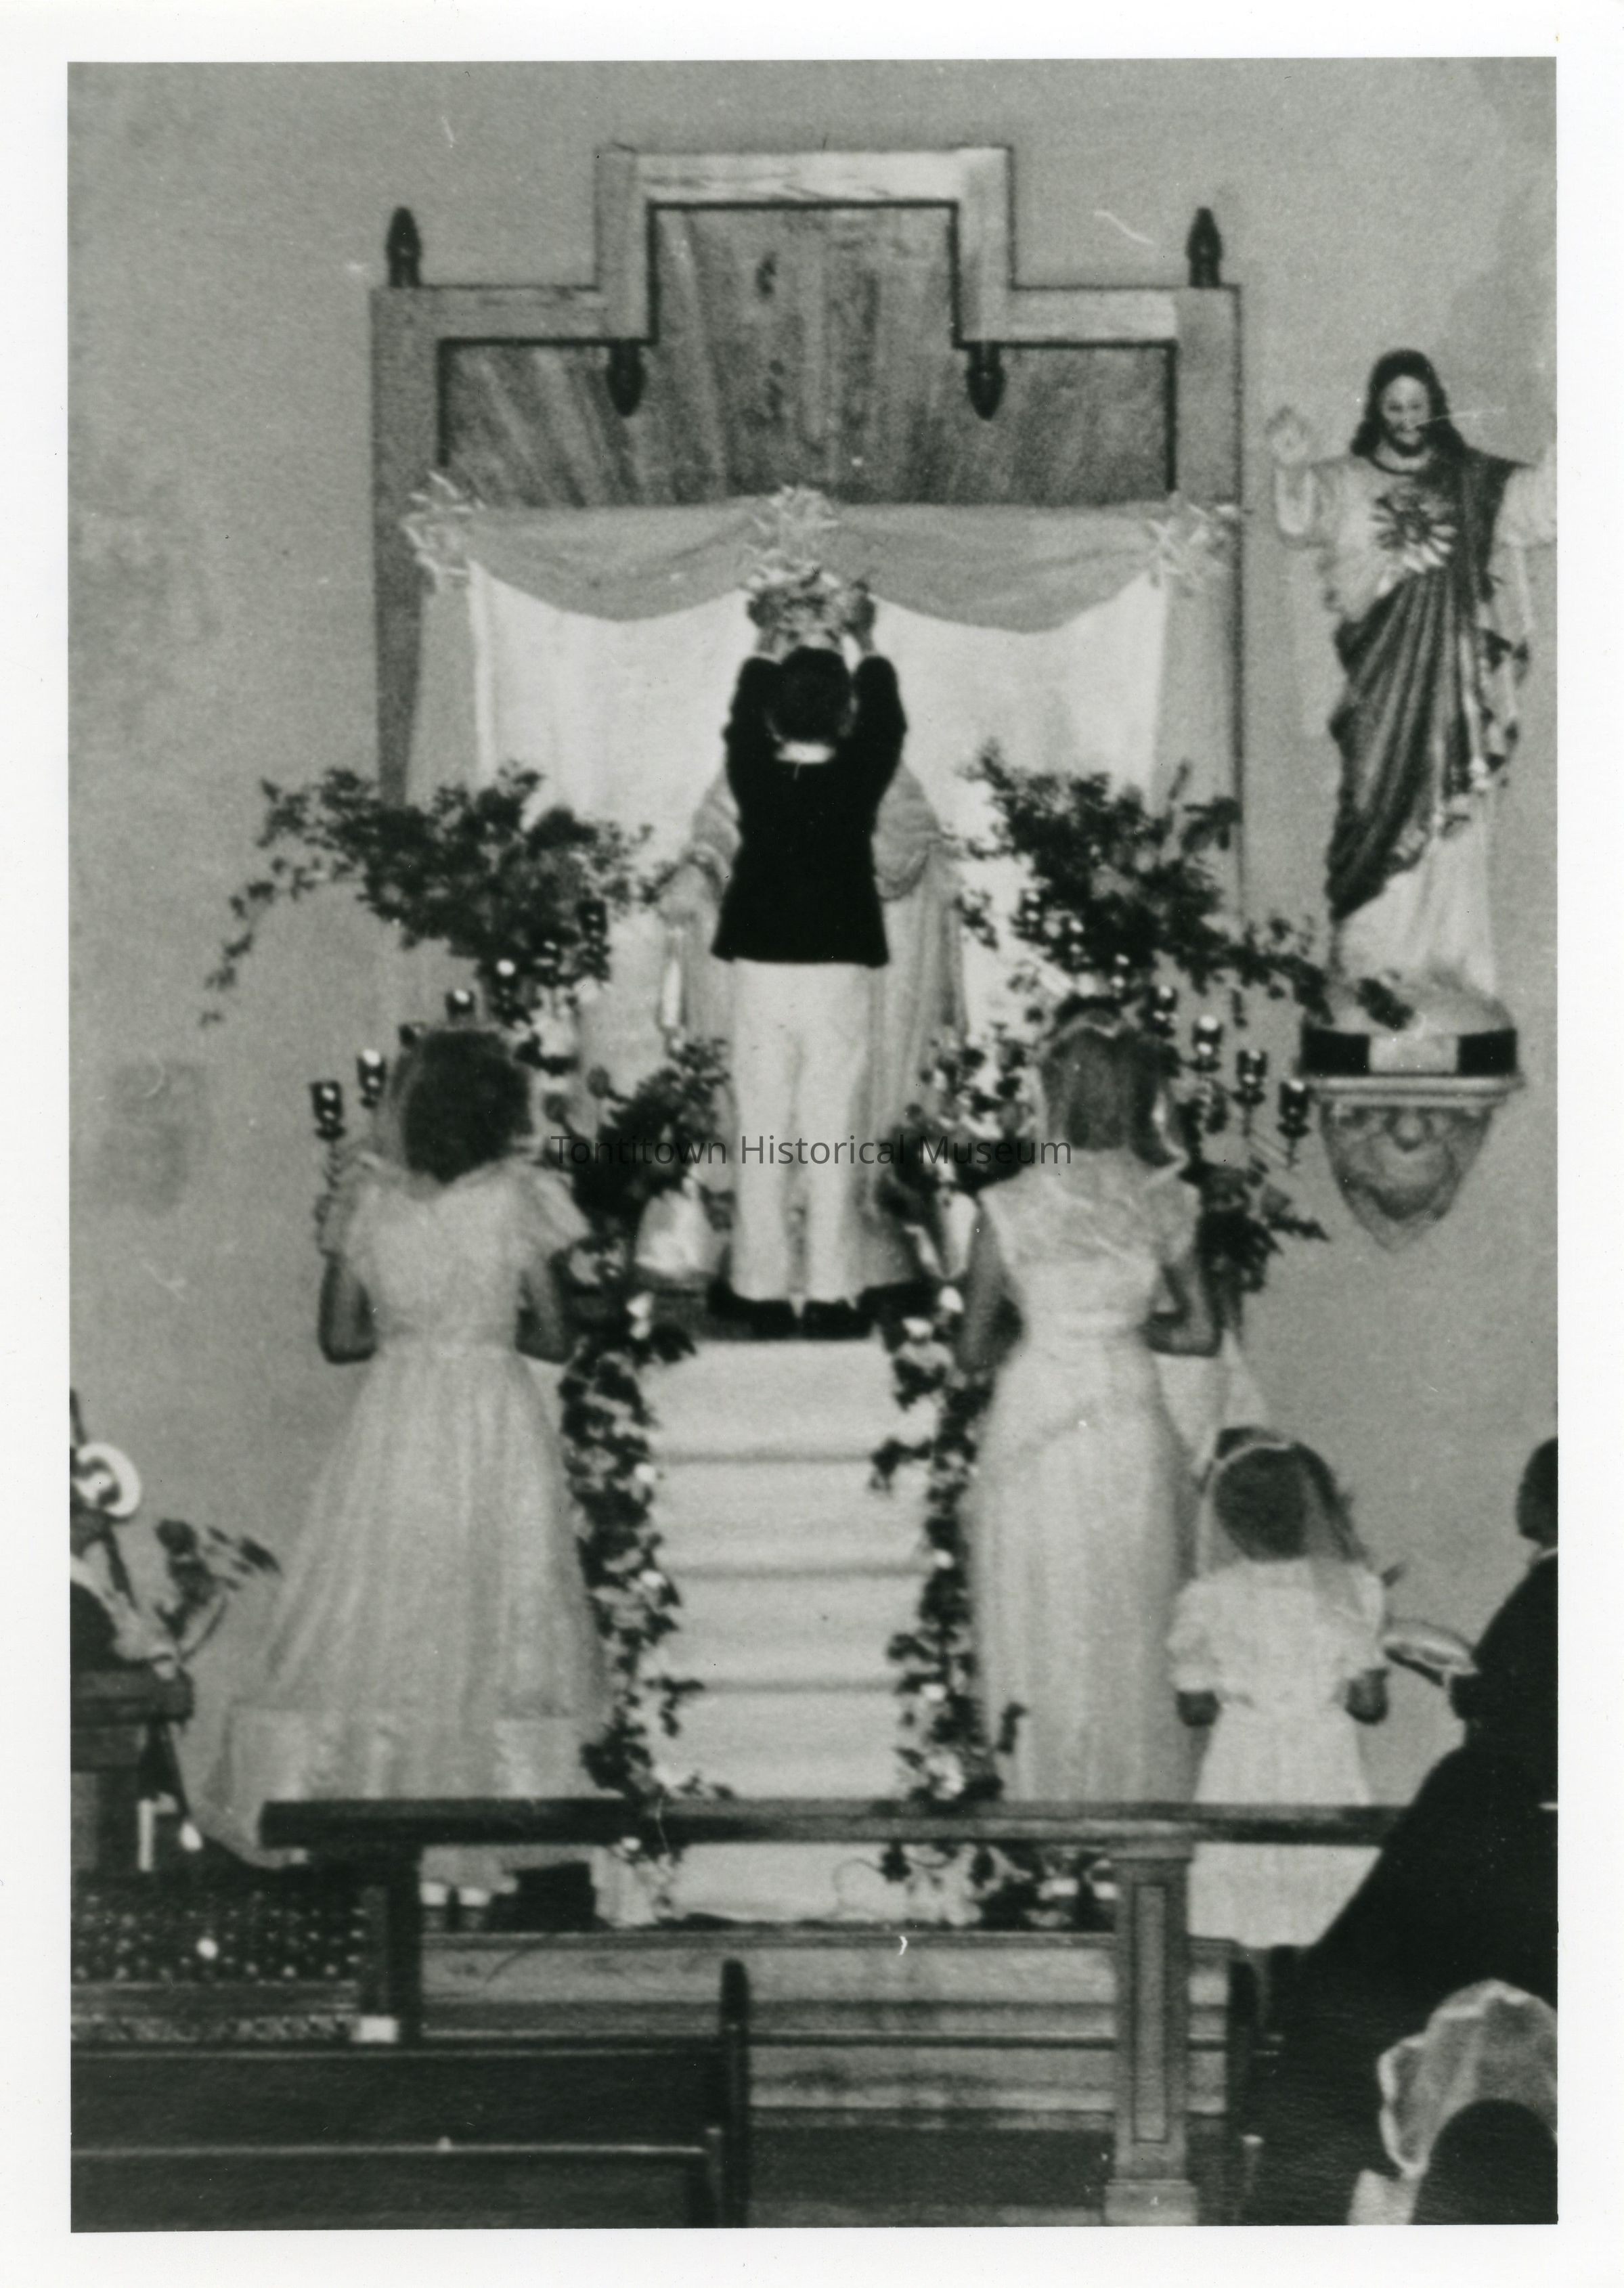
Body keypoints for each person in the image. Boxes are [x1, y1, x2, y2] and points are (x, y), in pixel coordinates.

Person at [201, 1028, 607, 1897]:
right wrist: (485, 1335)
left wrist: (415, 1335)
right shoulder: (516, 1198)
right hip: (491, 1416)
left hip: (397, 1421)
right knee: (496, 1607)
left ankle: (386, 1825)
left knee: (385, 1612)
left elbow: (342, 1337)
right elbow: (558, 1333)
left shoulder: (370, 1203)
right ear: (501, 1109)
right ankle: (483, 1833)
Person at [1245, 1437, 1557, 2224]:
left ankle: (1327, 2192)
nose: (1517, 1496)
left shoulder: (1563, 1581)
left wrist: (1459, 1678)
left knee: (1367, 1999)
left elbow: (1532, 1713)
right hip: (1509, 1808)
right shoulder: (1556, 1579)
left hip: (1504, 1814)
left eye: (1531, 1483)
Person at [959, 1006, 1219, 1799]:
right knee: (1129, 1615)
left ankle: (1041, 1805)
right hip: (1126, 1408)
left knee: (1040, 1607)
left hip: (1040, 1404)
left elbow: (969, 1351)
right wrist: (1125, 1331)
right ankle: (1133, 1816)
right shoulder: (1164, 1199)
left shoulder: (1009, 1202)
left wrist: (1032, 1334)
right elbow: (1201, 1330)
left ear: (1051, 1090)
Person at [1269, 350, 1555, 997]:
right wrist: (1288, 465)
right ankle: (1370, 970)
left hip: (1453, 690)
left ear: (1436, 408)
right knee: (1370, 809)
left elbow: (1542, 509)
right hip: (1379, 688)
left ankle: (1450, 973)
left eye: (1416, 406)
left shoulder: (1471, 483)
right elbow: (1298, 518)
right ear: (1377, 411)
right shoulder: (1346, 481)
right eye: (1393, 407)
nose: (1406, 419)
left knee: (1453, 819)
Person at [663, 594, 908, 1340]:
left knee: (763, 1123)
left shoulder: (754, 775)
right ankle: (832, 1294)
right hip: (837, 969)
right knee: (832, 1126)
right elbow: (887, 719)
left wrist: (765, 649)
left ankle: (761, 1290)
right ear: (843, 718)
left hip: (763, 965)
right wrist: (865, 641)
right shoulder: (858, 775)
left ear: (775, 717)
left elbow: (739, 722)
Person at [1169, 1429, 1388, 1954]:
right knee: (1324, 1897)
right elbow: (1370, 1705)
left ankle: (1248, 2015)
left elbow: (1193, 1708)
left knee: (1246, 1906)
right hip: (1324, 1762)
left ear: (1227, 1518)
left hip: (1242, 1763)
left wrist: (1232, 1690)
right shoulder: (1355, 1589)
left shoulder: (1208, 1598)